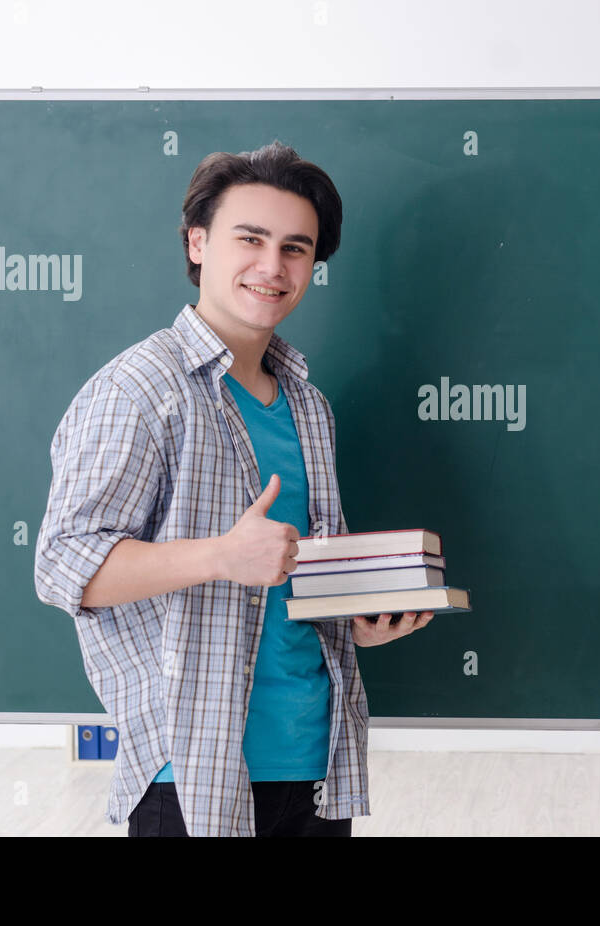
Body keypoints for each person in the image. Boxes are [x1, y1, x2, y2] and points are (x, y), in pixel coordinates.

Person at [34, 142, 432, 837]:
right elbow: (62, 563)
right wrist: (220, 556)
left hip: (316, 766)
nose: (272, 267)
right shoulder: (138, 389)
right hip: (190, 776)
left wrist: (356, 621)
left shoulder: (309, 406)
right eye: (250, 239)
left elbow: (294, 584)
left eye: (296, 248)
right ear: (197, 240)